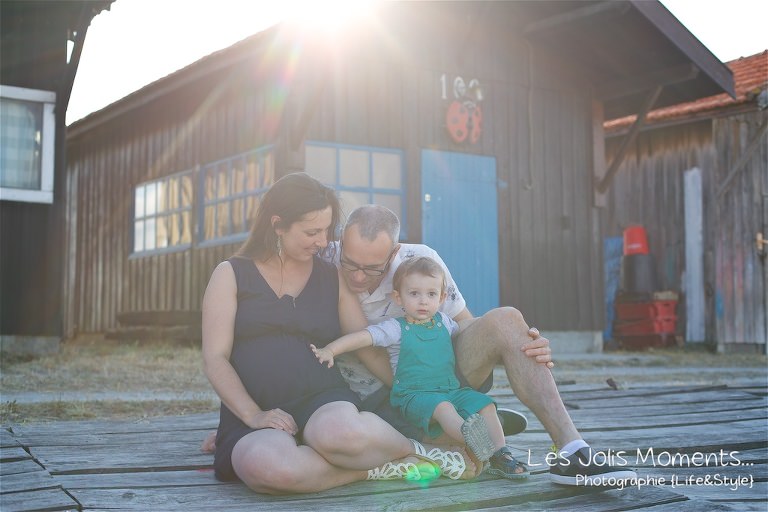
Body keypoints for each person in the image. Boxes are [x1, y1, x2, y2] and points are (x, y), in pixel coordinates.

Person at [327, 204, 637, 486]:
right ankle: (472, 427)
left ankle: (571, 451)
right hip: (379, 398)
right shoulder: (324, 256)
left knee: (507, 319)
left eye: (371, 269)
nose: (357, 276)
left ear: (394, 252)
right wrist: (419, 389)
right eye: (350, 263)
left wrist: (515, 340)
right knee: (449, 428)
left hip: (438, 380)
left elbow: (464, 323)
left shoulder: (419, 261)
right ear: (341, 240)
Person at [202, 173, 466, 494]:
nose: (323, 242)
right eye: (312, 232)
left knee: (344, 434)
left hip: (321, 399)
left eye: (326, 230)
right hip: (256, 409)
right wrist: (253, 414)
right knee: (269, 469)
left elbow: (367, 346)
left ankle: (421, 452)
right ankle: (381, 468)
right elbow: (215, 358)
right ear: (278, 225)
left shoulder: (330, 275)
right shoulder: (231, 274)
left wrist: (412, 393)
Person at [312, 256, 528, 479]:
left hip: (450, 389)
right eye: (414, 294)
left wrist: (507, 339)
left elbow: (470, 329)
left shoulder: (445, 323)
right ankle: (475, 443)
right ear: (398, 297)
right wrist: (331, 349)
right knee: (444, 409)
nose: (423, 301)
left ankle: (501, 454)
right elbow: (362, 337)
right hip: (414, 395)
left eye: (431, 294)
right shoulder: (396, 328)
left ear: (442, 297)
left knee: (485, 404)